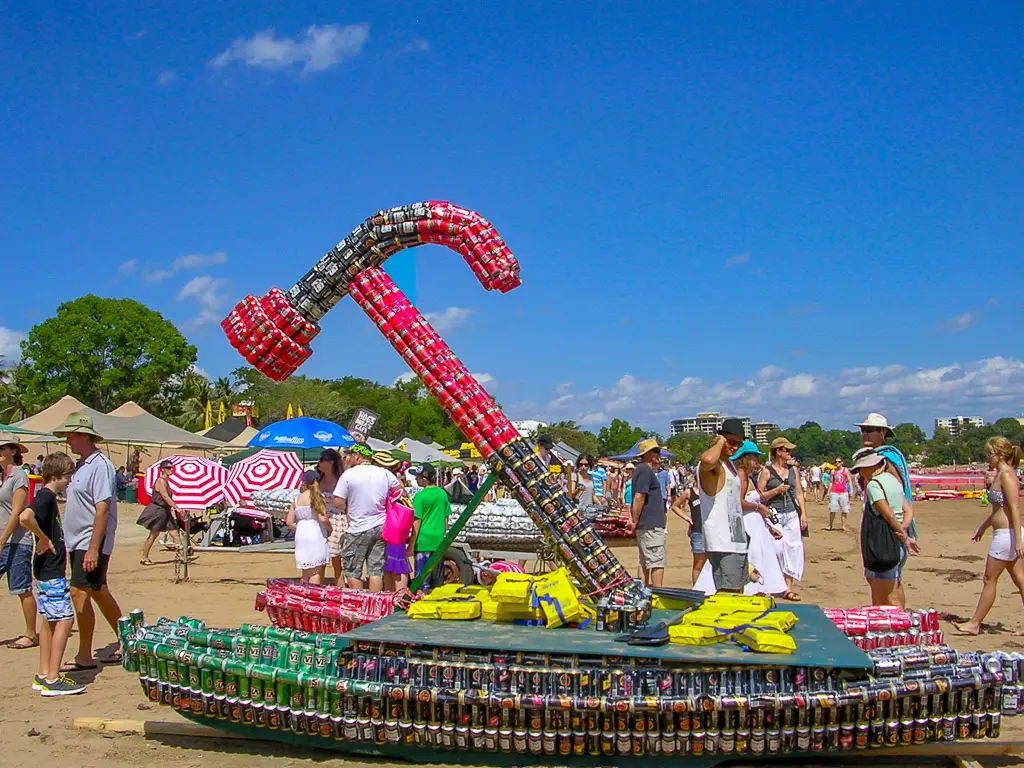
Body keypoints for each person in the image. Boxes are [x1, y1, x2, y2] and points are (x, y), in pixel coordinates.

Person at [52, 413, 123, 670]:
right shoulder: (81, 465)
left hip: (89, 541)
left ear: (83, 435)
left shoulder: (100, 465)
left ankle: (84, 654)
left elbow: (102, 508)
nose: (68, 440)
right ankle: (128, 638)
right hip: (77, 540)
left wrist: (94, 547)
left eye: (70, 435)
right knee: (97, 590)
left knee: (80, 592)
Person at [18, 452, 85, 696]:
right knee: (65, 620)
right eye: (67, 476)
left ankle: (44, 672)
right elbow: (25, 517)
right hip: (51, 570)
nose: (69, 481)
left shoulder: (46, 497)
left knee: (49, 620)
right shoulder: (46, 497)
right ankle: (54, 677)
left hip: (46, 570)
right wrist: (43, 538)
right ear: (56, 475)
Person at [954, 437, 1024, 636]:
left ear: (1000, 454)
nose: (988, 458)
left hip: (1007, 536)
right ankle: (975, 622)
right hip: (1006, 534)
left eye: (990, 454)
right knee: (1020, 579)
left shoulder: (1007, 475)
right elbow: (998, 510)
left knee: (989, 579)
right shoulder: (1001, 475)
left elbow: (1015, 508)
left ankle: (975, 623)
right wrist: (983, 527)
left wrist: (1018, 538)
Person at [333, 442, 400, 591]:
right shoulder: (384, 473)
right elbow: (400, 492)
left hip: (358, 527)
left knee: (352, 570)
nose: (348, 459)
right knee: (376, 570)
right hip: (381, 526)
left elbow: (337, 502)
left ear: (357, 456)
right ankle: (374, 605)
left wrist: (349, 503)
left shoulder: (348, 474)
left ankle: (361, 603)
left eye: (350, 456)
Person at [853, 449, 916, 607]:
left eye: (862, 469)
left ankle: (899, 627)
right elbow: (908, 511)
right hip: (898, 544)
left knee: (885, 598)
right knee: (895, 586)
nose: (861, 473)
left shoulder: (874, 486)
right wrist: (903, 530)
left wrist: (903, 536)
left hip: (885, 545)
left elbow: (888, 515)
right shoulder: (893, 480)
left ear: (871, 466)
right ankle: (901, 623)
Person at [697, 419, 748, 593]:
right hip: (722, 542)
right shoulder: (715, 466)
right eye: (731, 442)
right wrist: (720, 441)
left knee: (738, 591)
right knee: (729, 594)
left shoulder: (730, 464)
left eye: (738, 444)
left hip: (736, 539)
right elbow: (707, 459)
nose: (734, 447)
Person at [732, 441, 787, 597]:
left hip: (756, 523)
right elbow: (739, 503)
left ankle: (757, 588)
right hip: (747, 523)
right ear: (746, 458)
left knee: (761, 555)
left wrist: (769, 526)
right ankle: (750, 590)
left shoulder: (749, 477)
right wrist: (760, 508)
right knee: (753, 555)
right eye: (755, 457)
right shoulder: (741, 475)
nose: (757, 461)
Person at [757, 437, 806, 601]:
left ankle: (787, 588)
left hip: (791, 513)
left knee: (793, 549)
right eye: (787, 450)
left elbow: (798, 492)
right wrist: (776, 491)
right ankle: (772, 585)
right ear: (778, 452)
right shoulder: (767, 471)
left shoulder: (793, 471)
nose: (790, 453)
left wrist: (803, 514)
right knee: (776, 550)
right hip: (774, 514)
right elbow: (758, 496)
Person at [0, 433, 37, 649]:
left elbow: (17, 512)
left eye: (1, 448)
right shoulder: (3, 477)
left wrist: (3, 540)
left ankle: (31, 634)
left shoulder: (20, 476)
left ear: (13, 451)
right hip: (5, 539)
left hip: (16, 541)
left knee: (21, 588)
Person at [627, 439, 668, 587]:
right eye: (656, 452)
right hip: (650, 525)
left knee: (645, 561)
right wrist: (635, 520)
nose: (659, 455)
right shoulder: (644, 470)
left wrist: (634, 520)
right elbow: (639, 497)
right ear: (648, 454)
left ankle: (644, 592)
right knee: (656, 562)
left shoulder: (642, 470)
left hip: (647, 525)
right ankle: (657, 593)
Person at [372, 450, 411, 591]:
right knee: (388, 565)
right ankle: (391, 597)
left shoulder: (391, 480)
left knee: (396, 563)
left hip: (392, 525)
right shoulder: (391, 479)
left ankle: (399, 596)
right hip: (391, 525)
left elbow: (403, 497)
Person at [409, 463, 452, 591]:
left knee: (422, 581)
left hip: (423, 541)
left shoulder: (420, 497)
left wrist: (411, 545)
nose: (416, 479)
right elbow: (446, 518)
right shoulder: (442, 494)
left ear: (424, 478)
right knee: (437, 581)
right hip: (438, 541)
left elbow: (416, 521)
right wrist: (442, 534)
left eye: (417, 477)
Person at [287, 469, 331, 584]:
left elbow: (289, 522)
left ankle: (304, 596)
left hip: (301, 534)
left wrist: (300, 528)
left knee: (306, 571)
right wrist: (330, 529)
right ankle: (313, 597)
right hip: (316, 533)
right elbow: (323, 518)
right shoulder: (318, 498)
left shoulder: (296, 499)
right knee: (316, 571)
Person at [136, 460, 183, 565]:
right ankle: (144, 557)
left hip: (166, 511)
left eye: (172, 467)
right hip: (158, 510)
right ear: (163, 470)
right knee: (154, 534)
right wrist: (176, 508)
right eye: (168, 468)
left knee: (175, 533)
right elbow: (165, 497)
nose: (171, 469)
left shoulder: (167, 481)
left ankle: (182, 556)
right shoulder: (161, 481)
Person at [669, 472, 705, 586]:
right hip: (698, 531)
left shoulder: (711, 492)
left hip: (711, 532)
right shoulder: (690, 492)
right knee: (698, 564)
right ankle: (697, 589)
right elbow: (675, 506)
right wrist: (686, 517)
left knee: (709, 564)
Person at [317, 449, 345, 585]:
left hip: (338, 520)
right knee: (319, 560)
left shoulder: (341, 479)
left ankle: (341, 591)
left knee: (337, 562)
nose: (319, 463)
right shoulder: (318, 480)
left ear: (331, 462)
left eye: (323, 460)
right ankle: (318, 590)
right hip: (320, 520)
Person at [827, 457, 853, 532]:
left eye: (839, 462)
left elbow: (849, 480)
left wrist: (851, 490)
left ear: (842, 462)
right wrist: (828, 492)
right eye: (836, 462)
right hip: (834, 492)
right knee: (832, 509)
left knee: (844, 510)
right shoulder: (833, 471)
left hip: (843, 492)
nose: (837, 463)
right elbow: (831, 482)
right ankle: (830, 524)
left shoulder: (845, 470)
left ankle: (843, 526)